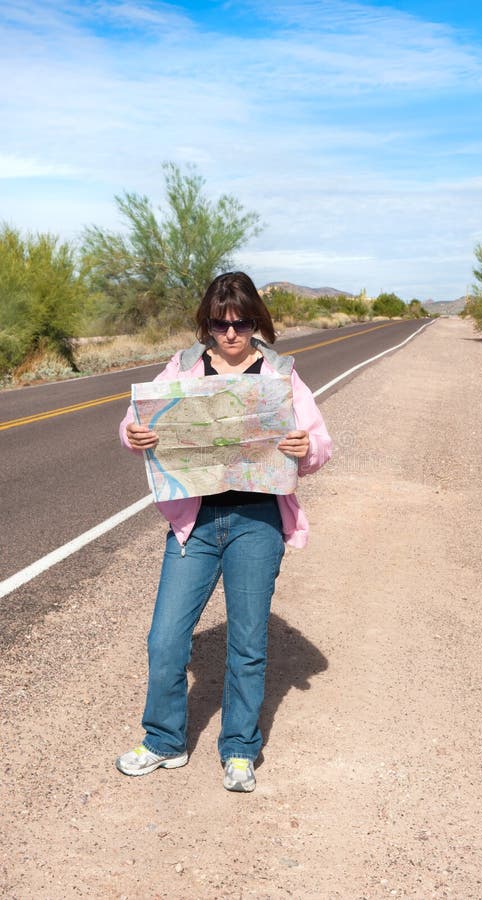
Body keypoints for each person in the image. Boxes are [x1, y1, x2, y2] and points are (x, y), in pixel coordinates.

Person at [116, 271, 332, 791]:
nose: (231, 334)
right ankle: (164, 740)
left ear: (257, 320)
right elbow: (133, 422)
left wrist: (307, 450)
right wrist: (135, 433)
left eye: (241, 323)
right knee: (165, 638)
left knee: (248, 642)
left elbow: (320, 442)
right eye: (220, 324)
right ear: (207, 323)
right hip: (196, 524)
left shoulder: (280, 374)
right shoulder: (184, 367)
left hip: (256, 523)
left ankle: (239, 748)